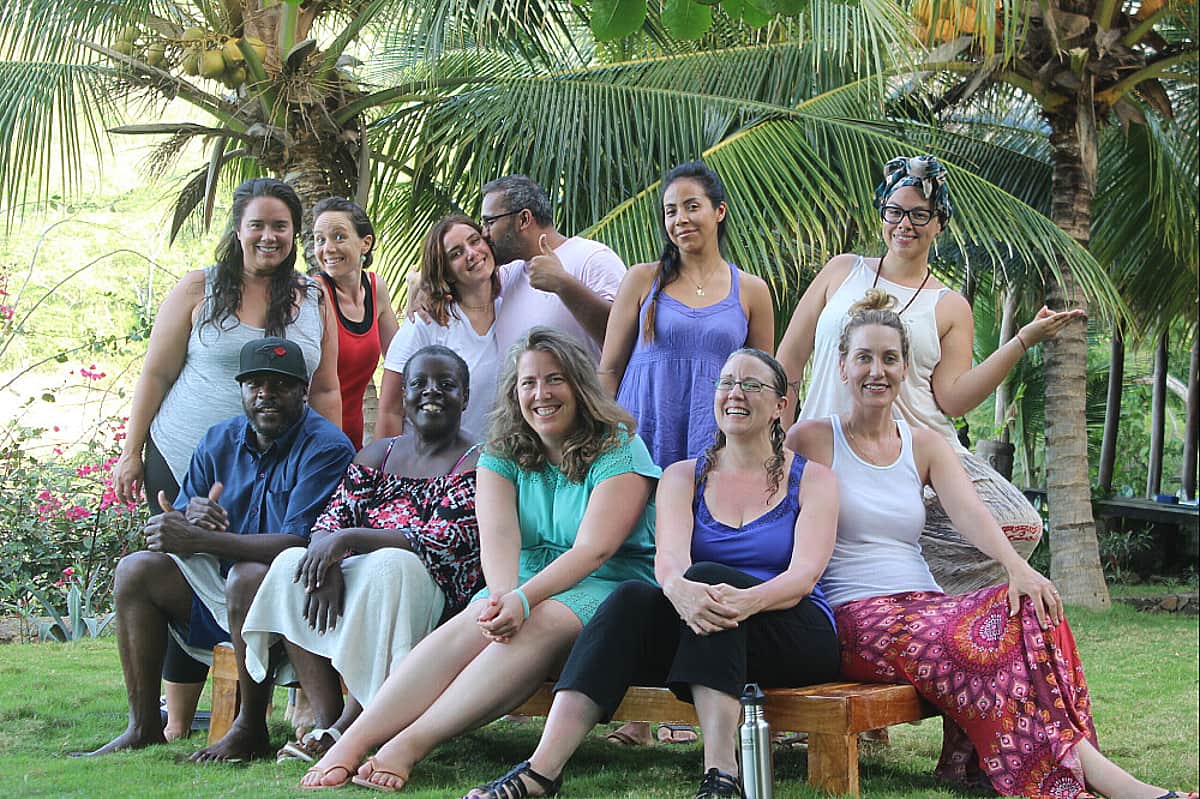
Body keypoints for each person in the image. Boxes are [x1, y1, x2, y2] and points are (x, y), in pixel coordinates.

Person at [785, 290, 1196, 799]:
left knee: (1036, 607)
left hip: (924, 603)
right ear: (842, 366)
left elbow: (971, 513)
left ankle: (1032, 766)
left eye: (889, 358)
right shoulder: (811, 440)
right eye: (864, 357)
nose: (877, 370)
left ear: (905, 368)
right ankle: (1111, 784)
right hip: (858, 616)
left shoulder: (923, 443)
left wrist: (1018, 569)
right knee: (982, 639)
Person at [464, 349, 841, 799]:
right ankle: (541, 769)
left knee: (708, 580)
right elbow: (669, 560)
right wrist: (680, 590)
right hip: (703, 628)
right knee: (630, 597)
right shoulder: (683, 477)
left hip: (790, 629)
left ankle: (722, 772)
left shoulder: (813, 479)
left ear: (780, 405)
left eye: (751, 385)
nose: (735, 394)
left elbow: (803, 577)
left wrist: (742, 600)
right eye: (726, 383)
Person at [301, 327, 661, 791]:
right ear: (515, 392)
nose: (541, 394)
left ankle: (409, 743)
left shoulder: (618, 446)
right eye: (528, 382)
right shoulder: (502, 450)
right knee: (475, 621)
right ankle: (353, 741)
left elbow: (596, 549)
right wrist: (503, 597)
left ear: (579, 385)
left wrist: (522, 602)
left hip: (610, 581)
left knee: (539, 620)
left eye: (554, 379)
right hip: (522, 575)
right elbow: (499, 538)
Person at [776, 155, 1083, 594]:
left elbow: (953, 398)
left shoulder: (949, 305)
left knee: (1020, 525)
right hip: (830, 445)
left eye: (920, 215)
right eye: (895, 212)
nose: (905, 224)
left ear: (939, 223)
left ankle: (915, 589)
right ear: (881, 215)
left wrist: (1021, 341)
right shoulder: (842, 271)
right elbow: (788, 362)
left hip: (916, 450)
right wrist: (778, 439)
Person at [110, 177, 341, 740]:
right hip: (194, 457)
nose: (268, 235)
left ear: (295, 233)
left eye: (281, 226)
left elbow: (327, 387)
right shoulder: (200, 287)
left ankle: (245, 721)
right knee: (178, 561)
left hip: (286, 454)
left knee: (245, 570)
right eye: (257, 224)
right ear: (238, 230)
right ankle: (166, 722)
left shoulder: (313, 297)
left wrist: (326, 453)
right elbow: (156, 372)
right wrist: (131, 451)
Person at [80, 337, 353, 759]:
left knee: (248, 575)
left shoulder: (326, 447)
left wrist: (203, 539)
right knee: (136, 569)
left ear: (303, 391)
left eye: (280, 385)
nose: (265, 394)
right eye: (255, 384)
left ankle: (251, 727)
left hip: (300, 598)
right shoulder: (219, 439)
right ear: (241, 390)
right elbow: (183, 519)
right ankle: (144, 726)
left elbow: (300, 544)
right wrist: (186, 520)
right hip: (221, 589)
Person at [597, 161, 774, 747]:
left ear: (719, 211)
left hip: (712, 442)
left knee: (697, 556)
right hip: (644, 436)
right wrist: (605, 438)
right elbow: (609, 367)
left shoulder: (751, 290)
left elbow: (766, 379)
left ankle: (691, 702)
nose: (680, 219)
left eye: (692, 206)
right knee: (639, 557)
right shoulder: (642, 280)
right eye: (670, 210)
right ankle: (635, 712)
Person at [240, 345, 482, 762]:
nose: (432, 392)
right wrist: (328, 559)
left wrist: (347, 540)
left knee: (392, 565)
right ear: (403, 395)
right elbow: (329, 521)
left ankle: (358, 724)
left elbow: (440, 541)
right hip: (367, 580)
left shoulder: (477, 461)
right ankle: (327, 720)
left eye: (446, 385)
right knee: (294, 563)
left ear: (465, 397)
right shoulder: (377, 455)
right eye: (419, 384)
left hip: (438, 597)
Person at [379, 215, 501, 442]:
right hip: (429, 459)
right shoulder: (425, 322)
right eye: (456, 253)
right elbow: (390, 410)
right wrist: (388, 463)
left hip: (495, 459)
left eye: (475, 241)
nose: (471, 253)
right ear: (445, 272)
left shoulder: (512, 303)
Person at [481, 175, 626, 362]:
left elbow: (626, 338)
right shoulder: (509, 274)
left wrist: (563, 285)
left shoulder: (591, 257)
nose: (484, 234)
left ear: (524, 219)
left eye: (489, 222)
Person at [312, 197, 400, 450]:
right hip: (316, 441)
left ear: (365, 243)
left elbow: (400, 359)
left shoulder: (375, 287)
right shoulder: (314, 294)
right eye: (320, 240)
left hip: (354, 438)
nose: (328, 248)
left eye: (339, 237)